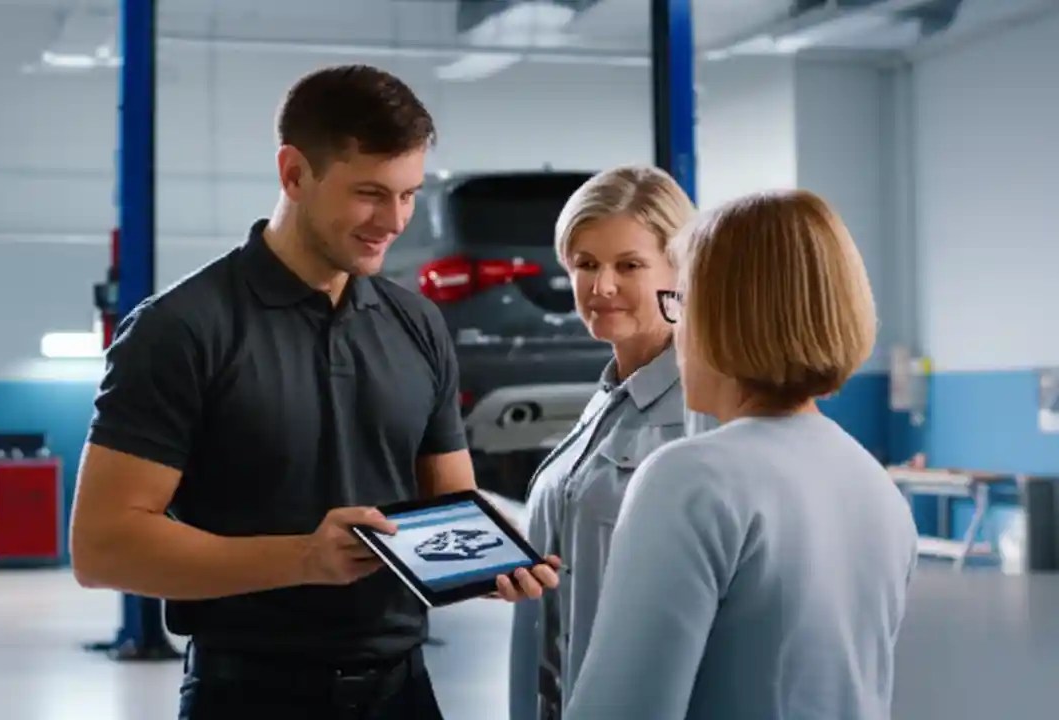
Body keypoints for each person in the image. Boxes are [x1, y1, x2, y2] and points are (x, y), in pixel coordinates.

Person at [67, 64, 558, 720]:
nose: (394, 220)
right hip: (248, 693)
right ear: (294, 173)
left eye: (408, 194)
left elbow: (451, 503)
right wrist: (301, 558)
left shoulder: (417, 325)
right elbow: (102, 547)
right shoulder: (182, 329)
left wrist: (493, 558)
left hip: (404, 690)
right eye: (369, 193)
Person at [561, 189, 919, 720]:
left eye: (680, 301)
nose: (677, 329)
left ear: (726, 315)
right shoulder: (873, 482)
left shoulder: (688, 478)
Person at [506, 166, 716, 720]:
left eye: (629, 265)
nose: (601, 287)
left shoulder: (702, 415)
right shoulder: (606, 402)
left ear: (679, 269)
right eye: (585, 264)